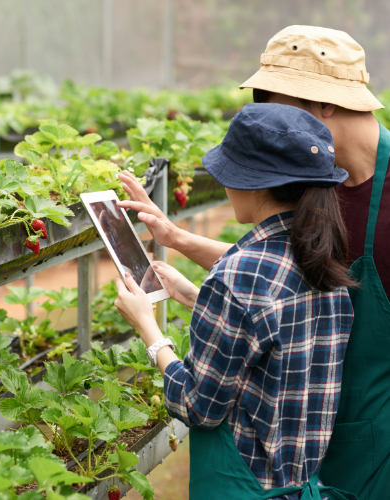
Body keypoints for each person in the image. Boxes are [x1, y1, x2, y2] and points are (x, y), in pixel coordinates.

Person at [114, 103, 356, 500]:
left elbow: (197, 406)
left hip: (242, 488)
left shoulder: (238, 275)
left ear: (255, 182)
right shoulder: (325, 262)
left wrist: (149, 329)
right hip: (303, 485)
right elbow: (269, 337)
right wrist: (195, 294)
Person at [239, 26, 390, 499]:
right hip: (319, 437)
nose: (264, 119)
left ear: (324, 104)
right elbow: (281, 274)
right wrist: (178, 240)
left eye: (271, 101)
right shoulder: (314, 184)